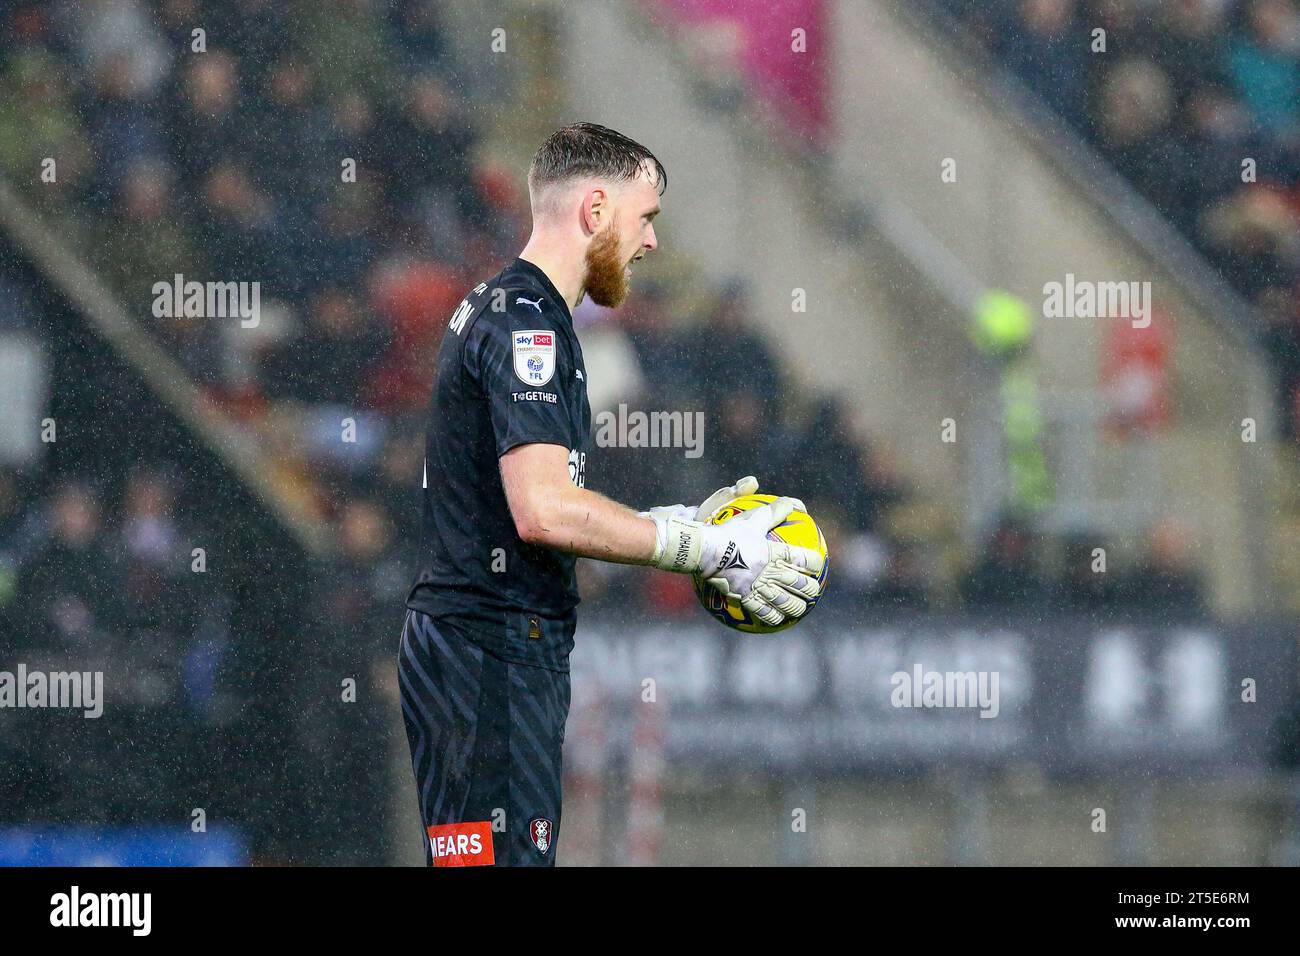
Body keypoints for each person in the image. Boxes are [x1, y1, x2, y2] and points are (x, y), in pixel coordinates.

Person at [397, 123, 824, 866]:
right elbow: (542, 510)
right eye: (645, 217)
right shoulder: (531, 325)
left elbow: (529, 510)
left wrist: (666, 521)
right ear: (595, 210)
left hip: (474, 645)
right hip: (491, 652)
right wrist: (705, 546)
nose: (651, 242)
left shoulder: (505, 308)